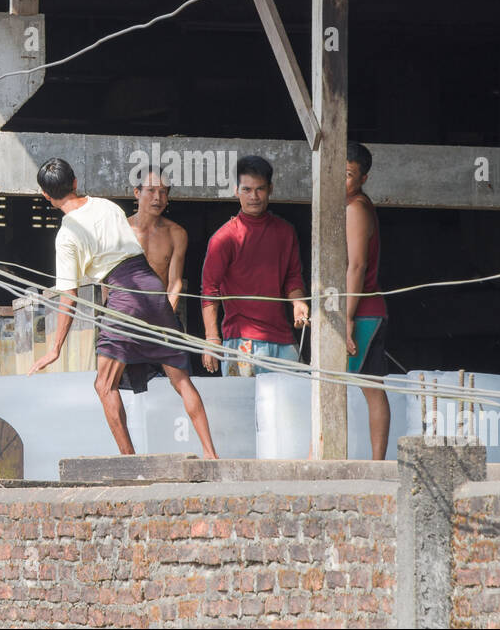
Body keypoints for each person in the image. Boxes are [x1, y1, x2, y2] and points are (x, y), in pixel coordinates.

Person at [28, 158, 218, 459]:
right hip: (152, 287)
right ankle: (211, 454)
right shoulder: (107, 206)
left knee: (104, 384)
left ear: (45, 196)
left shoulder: (66, 236)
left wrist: (55, 349)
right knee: (181, 380)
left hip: (123, 294)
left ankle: (128, 459)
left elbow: (69, 297)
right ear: (76, 183)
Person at [201, 155, 309, 376]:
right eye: (247, 189)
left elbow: (292, 277)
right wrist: (211, 339)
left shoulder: (285, 231)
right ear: (236, 190)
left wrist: (298, 302)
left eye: (260, 189)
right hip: (242, 341)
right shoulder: (224, 237)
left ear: (270, 189)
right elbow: (209, 290)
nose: (254, 196)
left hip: (282, 338)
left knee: (295, 404)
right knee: (242, 408)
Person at [345, 142, 391, 460]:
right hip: (368, 310)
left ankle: (376, 463)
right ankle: (376, 462)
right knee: (371, 387)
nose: (341, 181)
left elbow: (357, 265)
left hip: (361, 312)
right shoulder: (357, 205)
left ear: (364, 178)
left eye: (348, 174)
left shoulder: (356, 208)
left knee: (370, 390)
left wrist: (346, 318)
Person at [126, 167, 188, 313]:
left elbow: (175, 283)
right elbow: (108, 280)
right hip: (124, 313)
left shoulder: (176, 234)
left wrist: (165, 321)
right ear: (137, 193)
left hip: (160, 311)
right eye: (151, 190)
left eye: (163, 192)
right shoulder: (121, 229)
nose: (157, 198)